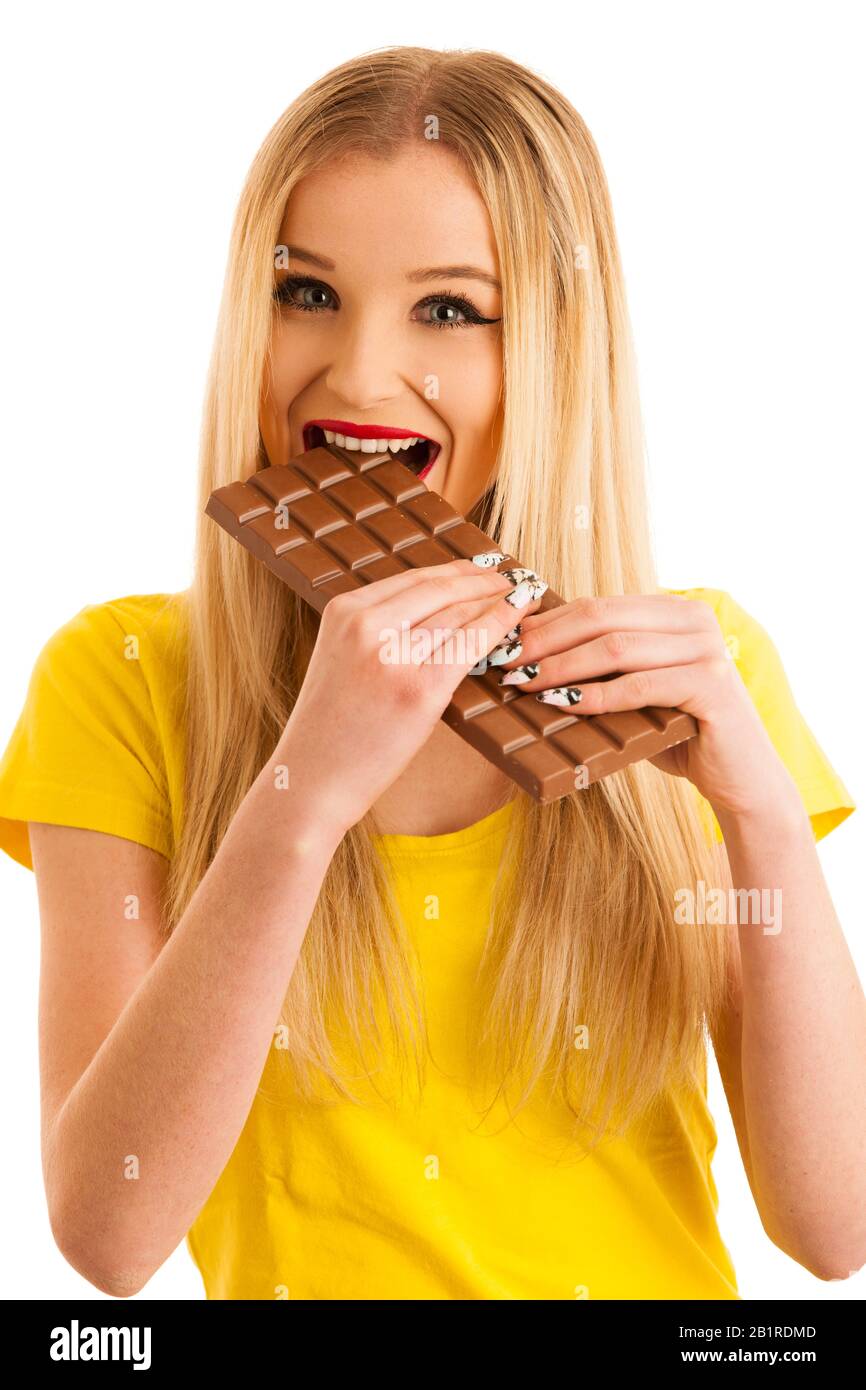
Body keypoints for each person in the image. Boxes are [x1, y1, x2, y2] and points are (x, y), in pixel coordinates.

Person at [0, 46, 861, 1301]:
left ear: (557, 349)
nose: (354, 374)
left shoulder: (690, 668)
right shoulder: (123, 681)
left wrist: (760, 817)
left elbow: (832, 1224)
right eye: (305, 293)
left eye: (448, 310)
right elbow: (105, 1233)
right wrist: (302, 791)